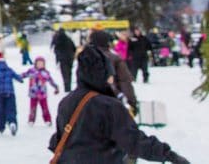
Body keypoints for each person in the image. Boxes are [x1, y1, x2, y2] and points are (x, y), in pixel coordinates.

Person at [48, 46, 190, 164]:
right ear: (102, 75)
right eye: (110, 75)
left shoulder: (66, 101)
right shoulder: (108, 106)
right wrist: (168, 155)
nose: (112, 79)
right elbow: (133, 140)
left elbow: (57, 141)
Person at [90, 30, 137, 114]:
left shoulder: (85, 59)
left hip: (90, 102)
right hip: (111, 100)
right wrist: (131, 102)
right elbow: (124, 81)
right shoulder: (114, 58)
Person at [0, 52, 23, 136]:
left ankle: (1, 126)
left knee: (0, 111)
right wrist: (21, 79)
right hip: (10, 93)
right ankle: (12, 122)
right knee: (11, 109)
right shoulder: (9, 70)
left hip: (0, 94)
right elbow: (17, 77)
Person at [21, 57, 59, 125]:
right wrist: (16, 77)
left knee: (45, 108)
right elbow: (24, 75)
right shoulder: (31, 71)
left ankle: (47, 120)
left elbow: (51, 80)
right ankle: (31, 120)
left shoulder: (45, 73)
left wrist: (56, 87)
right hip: (33, 93)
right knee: (33, 108)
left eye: (41, 63)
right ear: (35, 64)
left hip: (42, 94)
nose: (40, 65)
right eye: (38, 63)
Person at [52, 28, 77, 92]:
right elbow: (74, 48)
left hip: (62, 59)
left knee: (64, 73)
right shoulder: (69, 39)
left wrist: (57, 59)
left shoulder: (58, 40)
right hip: (70, 58)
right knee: (69, 72)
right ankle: (69, 86)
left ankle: (67, 87)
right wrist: (73, 55)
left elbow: (56, 50)